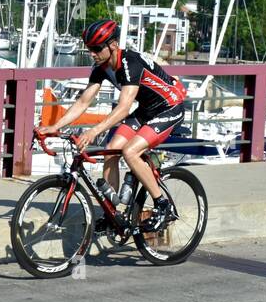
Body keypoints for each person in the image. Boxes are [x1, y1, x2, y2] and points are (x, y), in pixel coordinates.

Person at [35, 18, 187, 232]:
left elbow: (124, 108)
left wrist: (94, 131)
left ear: (113, 45)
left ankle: (163, 205)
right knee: (110, 150)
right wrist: (55, 126)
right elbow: (83, 101)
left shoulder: (130, 64)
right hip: (146, 110)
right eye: (89, 49)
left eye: (96, 48)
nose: (92, 53)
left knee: (130, 151)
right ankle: (111, 212)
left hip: (169, 108)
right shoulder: (101, 66)